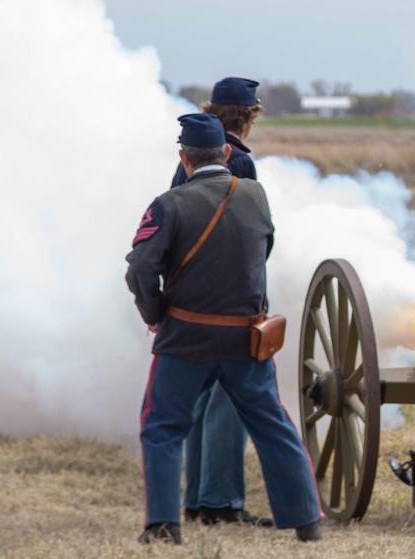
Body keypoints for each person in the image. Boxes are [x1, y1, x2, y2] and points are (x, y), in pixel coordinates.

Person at [127, 113, 320, 544]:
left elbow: (140, 268)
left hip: (186, 338)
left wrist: (154, 313)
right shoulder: (256, 195)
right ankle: (307, 520)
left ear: (184, 158)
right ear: (227, 153)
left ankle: (162, 525)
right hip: (245, 337)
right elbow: (262, 250)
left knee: (161, 429)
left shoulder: (168, 204)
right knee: (273, 426)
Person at [173, 76, 271, 527]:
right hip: (230, 299)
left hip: (190, 295)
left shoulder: (193, 156)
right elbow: (254, 237)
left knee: (201, 399)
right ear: (248, 116)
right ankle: (220, 503)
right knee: (230, 400)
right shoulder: (241, 163)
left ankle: (197, 500)